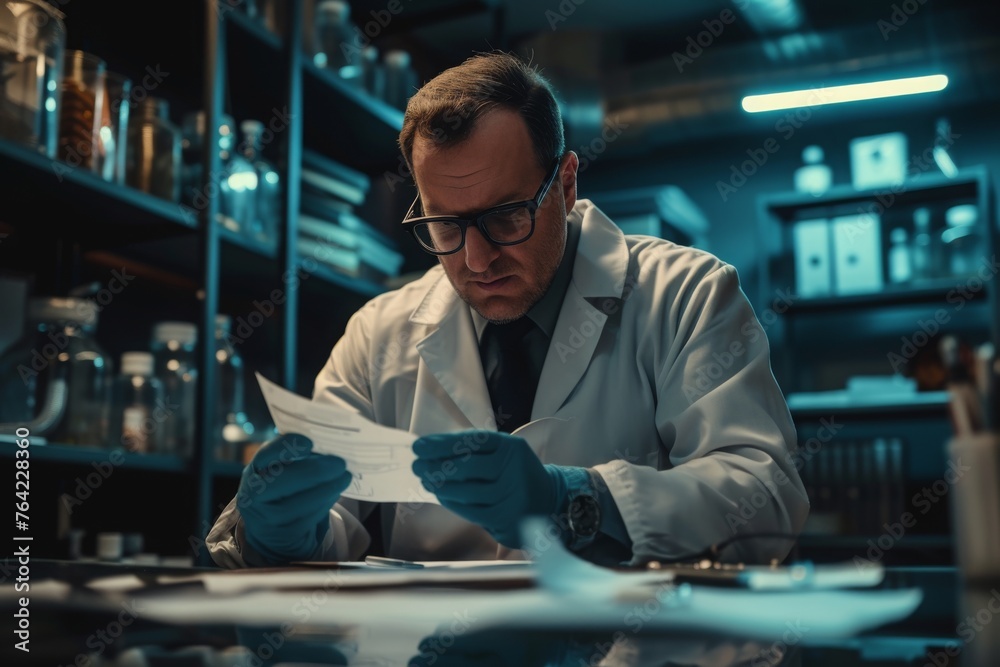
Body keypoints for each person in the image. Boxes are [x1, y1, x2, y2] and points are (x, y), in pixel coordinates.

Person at [207, 51, 809, 569]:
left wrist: (574, 499)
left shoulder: (686, 294)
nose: (475, 259)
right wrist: (282, 530)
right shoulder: (378, 334)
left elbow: (767, 497)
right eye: (445, 224)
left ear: (567, 186)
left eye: (504, 216)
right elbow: (334, 514)